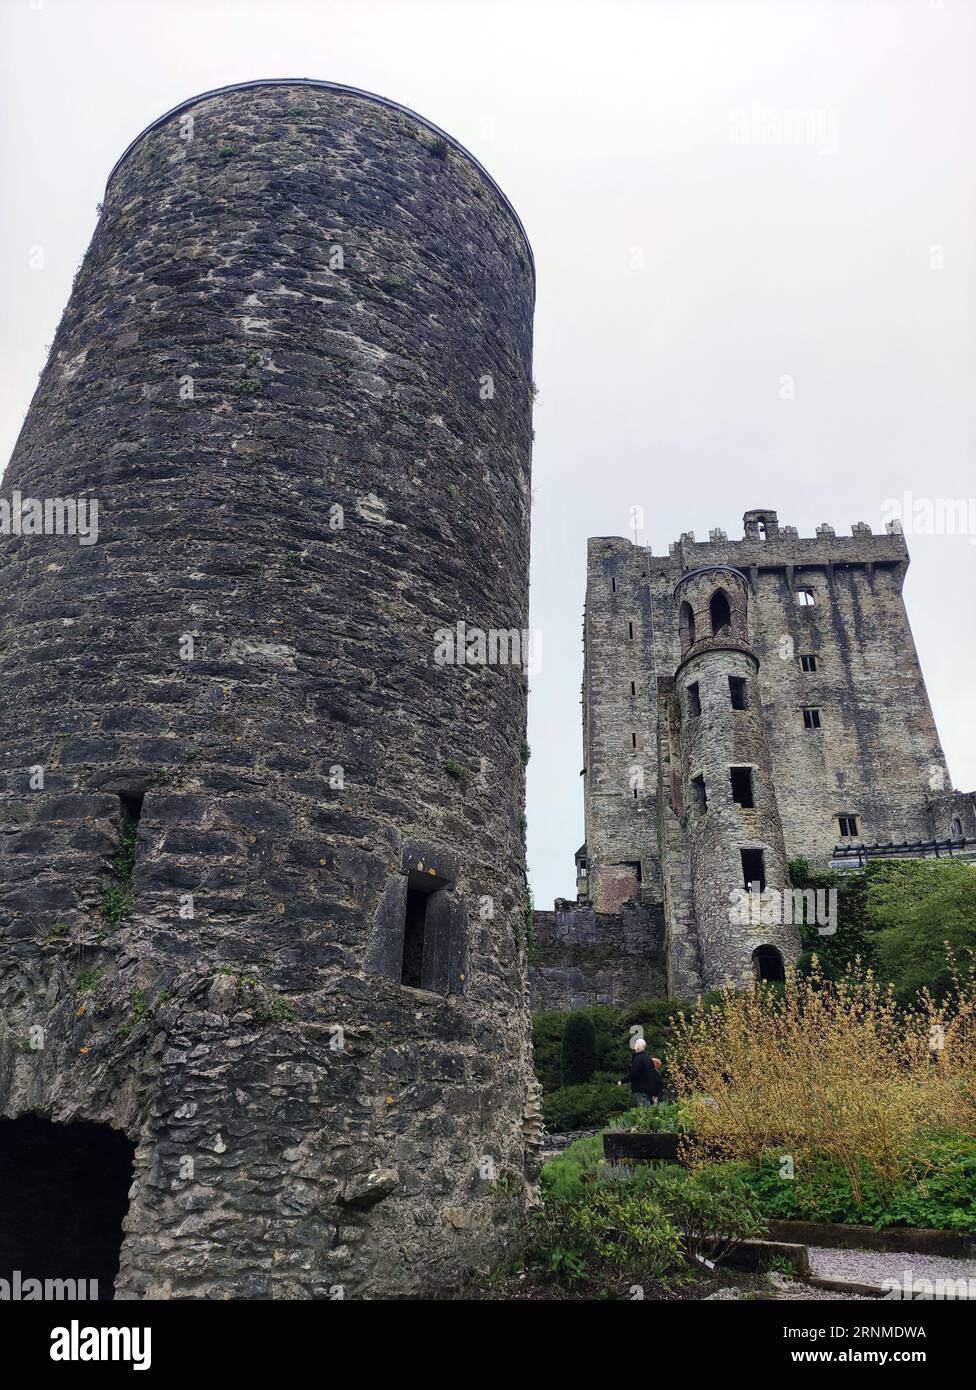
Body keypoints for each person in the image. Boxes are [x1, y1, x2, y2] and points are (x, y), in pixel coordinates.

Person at [621, 1037, 663, 1107]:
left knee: (644, 1112)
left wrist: (623, 1081)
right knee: (648, 1111)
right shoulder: (649, 1060)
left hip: (641, 1090)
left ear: (637, 1046)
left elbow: (634, 1073)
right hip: (650, 1092)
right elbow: (654, 1077)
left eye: (635, 1045)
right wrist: (655, 1093)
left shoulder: (638, 1059)